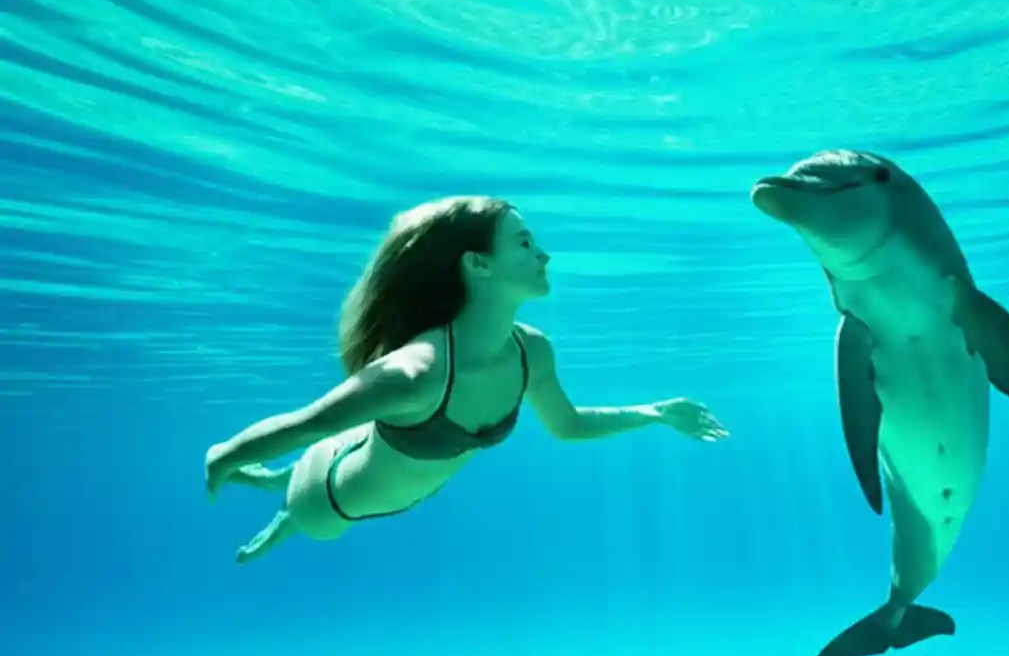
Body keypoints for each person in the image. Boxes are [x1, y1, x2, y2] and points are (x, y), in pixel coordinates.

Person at [203, 195, 729, 564]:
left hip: (369, 455)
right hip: (331, 501)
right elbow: (304, 427)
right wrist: (224, 455)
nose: (544, 254)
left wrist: (655, 413)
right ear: (478, 264)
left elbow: (568, 425)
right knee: (300, 514)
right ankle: (276, 498)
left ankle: (270, 478)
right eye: (524, 243)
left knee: (295, 469)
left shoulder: (533, 351)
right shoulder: (415, 374)